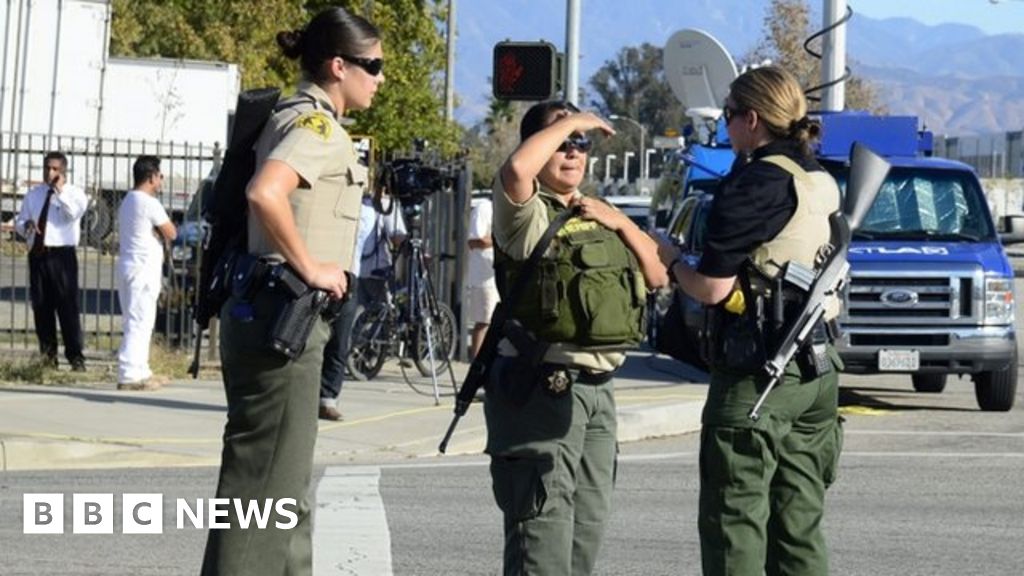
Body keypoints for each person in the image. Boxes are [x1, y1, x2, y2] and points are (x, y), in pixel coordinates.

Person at [201, 7, 383, 575]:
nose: (379, 79)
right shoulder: (315, 127)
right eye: (372, 66)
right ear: (338, 66)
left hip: (278, 316)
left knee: (283, 490)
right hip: (284, 315)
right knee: (262, 492)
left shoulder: (302, 118)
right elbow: (265, 193)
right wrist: (314, 268)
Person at [657, 66, 843, 575]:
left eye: (729, 117)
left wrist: (670, 259)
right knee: (798, 525)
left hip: (758, 371)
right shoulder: (819, 178)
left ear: (752, 119)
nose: (726, 127)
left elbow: (713, 289)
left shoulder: (755, 182)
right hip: (818, 367)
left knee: (732, 524)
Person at [486, 100, 668, 576]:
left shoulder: (600, 212)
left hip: (598, 389)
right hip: (542, 384)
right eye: (561, 140)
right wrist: (576, 119)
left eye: (581, 143)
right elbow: (516, 168)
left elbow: (656, 275)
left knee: (586, 529)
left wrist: (622, 223)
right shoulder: (523, 214)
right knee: (542, 535)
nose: (572, 150)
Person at [14, 151, 89, 371]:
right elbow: (20, 220)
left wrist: (60, 192)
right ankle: (48, 356)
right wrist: (25, 225)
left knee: (67, 307)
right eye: (47, 168)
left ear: (63, 171)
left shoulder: (75, 194)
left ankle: (75, 356)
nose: (50, 172)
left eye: (55, 169)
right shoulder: (34, 194)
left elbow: (73, 214)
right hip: (38, 254)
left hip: (62, 255)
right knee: (42, 307)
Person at [115, 155, 177, 390]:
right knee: (139, 321)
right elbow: (171, 232)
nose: (161, 180)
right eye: (159, 176)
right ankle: (129, 373)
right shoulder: (149, 202)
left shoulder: (128, 200)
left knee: (141, 320)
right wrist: (161, 232)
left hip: (131, 266)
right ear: (151, 177)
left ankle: (142, 370)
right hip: (142, 270)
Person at [466, 194, 498, 360]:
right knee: (484, 321)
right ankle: (476, 363)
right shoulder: (484, 208)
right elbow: (474, 241)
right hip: (484, 276)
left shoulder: (506, 210)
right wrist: (499, 239)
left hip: (500, 274)